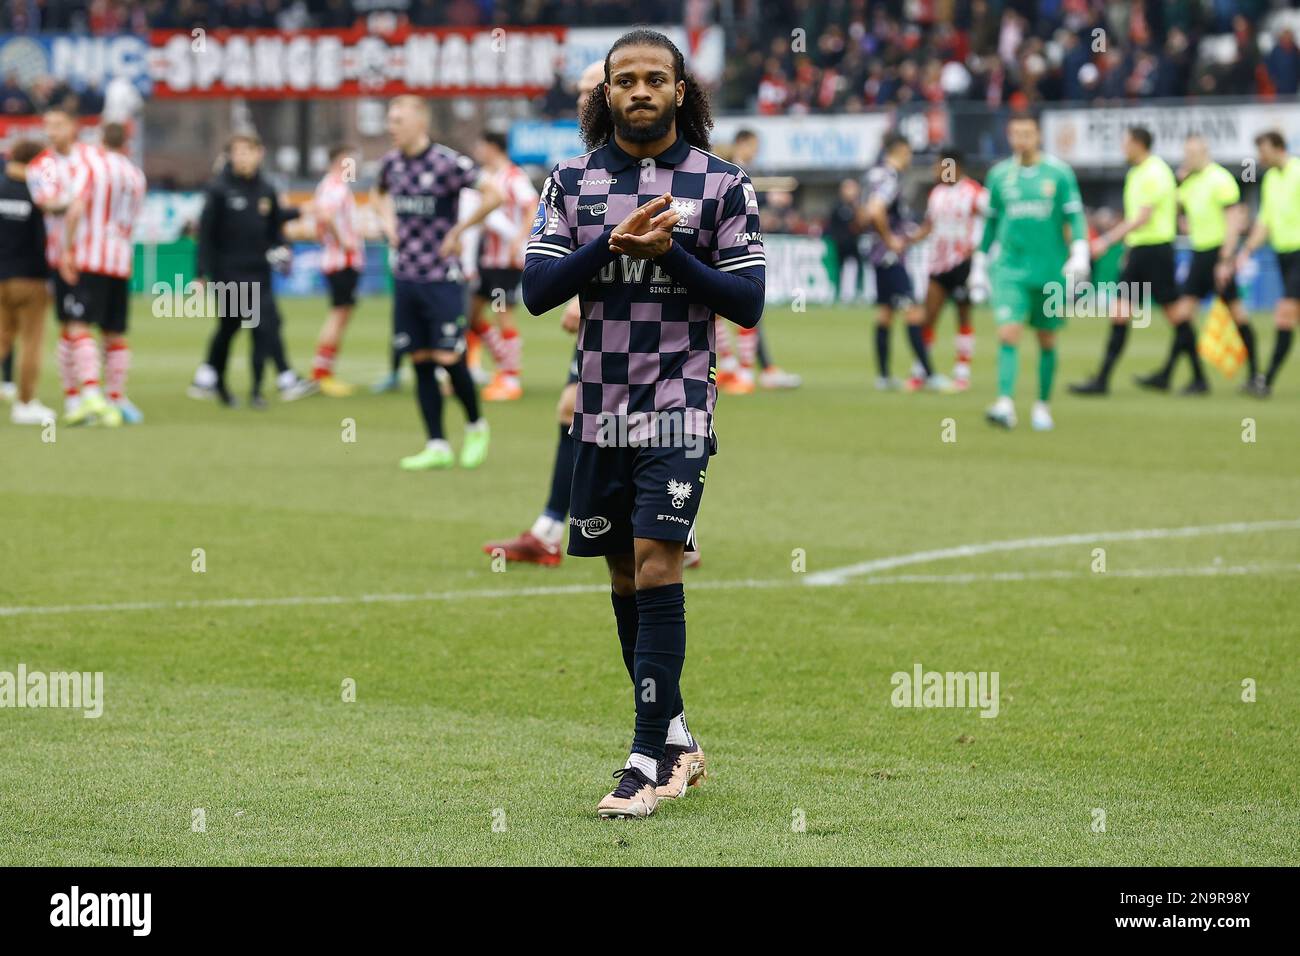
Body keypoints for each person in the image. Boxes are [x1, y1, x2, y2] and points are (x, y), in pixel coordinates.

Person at [521, 29, 765, 818]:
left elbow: (747, 303)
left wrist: (671, 258)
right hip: (600, 410)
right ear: (604, 96)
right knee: (625, 575)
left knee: (659, 563)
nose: (639, 90)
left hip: (680, 404)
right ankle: (680, 740)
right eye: (623, 80)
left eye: (655, 78)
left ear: (683, 92)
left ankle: (640, 763)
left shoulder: (723, 185)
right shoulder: (572, 181)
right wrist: (608, 246)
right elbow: (535, 290)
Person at [373, 95, 503, 470]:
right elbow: (377, 194)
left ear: (419, 121)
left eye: (397, 119)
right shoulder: (391, 164)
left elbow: (494, 194)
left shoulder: (447, 162)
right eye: (389, 119)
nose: (390, 126)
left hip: (442, 277)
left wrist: (461, 228)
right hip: (406, 277)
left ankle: (476, 425)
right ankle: (437, 444)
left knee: (449, 356)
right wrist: (386, 223)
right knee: (420, 360)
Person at [971, 112, 1089, 431]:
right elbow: (991, 223)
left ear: (1038, 136)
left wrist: (1079, 250)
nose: (1021, 139)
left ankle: (1042, 406)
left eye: (1027, 133)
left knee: (1047, 338)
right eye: (1016, 133)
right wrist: (979, 263)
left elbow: (1074, 216)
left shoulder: (1059, 174)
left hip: (1050, 270)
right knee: (1008, 332)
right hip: (1010, 269)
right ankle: (1005, 404)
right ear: (1009, 137)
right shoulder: (998, 176)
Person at [188, 131, 314, 408]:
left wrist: (284, 246)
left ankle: (259, 390)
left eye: (247, 151)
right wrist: (200, 275)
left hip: (259, 272)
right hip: (228, 273)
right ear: (230, 156)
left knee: (265, 326)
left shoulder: (266, 188)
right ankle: (215, 379)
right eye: (237, 152)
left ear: (260, 153)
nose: (242, 157)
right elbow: (206, 236)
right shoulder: (219, 189)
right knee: (230, 328)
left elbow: (273, 228)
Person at [1070, 126, 1180, 396]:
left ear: (1139, 144)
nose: (1122, 147)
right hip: (1140, 251)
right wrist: (1129, 249)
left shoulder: (1155, 172)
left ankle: (1189, 375)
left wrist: (1107, 241)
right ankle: (1103, 380)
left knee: (1177, 316)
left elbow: (1141, 218)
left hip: (1156, 251)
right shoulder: (1137, 172)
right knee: (1120, 313)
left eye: (1126, 142)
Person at [1139, 134, 1248, 393]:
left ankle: (1256, 374)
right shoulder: (1189, 183)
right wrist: (1178, 182)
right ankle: (1181, 376)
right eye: (1186, 153)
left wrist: (1226, 258)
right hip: (1200, 255)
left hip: (1217, 254)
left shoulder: (1220, 179)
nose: (1188, 157)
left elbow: (1234, 221)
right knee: (1184, 316)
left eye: (1193, 153)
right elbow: (1180, 214)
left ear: (1204, 152)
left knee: (1236, 315)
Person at [59, 122, 147, 424]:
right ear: (127, 143)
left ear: (100, 139)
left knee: (78, 325)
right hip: (120, 258)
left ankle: (91, 394)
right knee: (115, 331)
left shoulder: (91, 165)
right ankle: (117, 397)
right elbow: (134, 222)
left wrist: (67, 249)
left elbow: (75, 208)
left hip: (91, 257)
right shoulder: (137, 175)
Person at [25, 105, 101, 419]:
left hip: (94, 255)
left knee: (86, 325)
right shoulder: (41, 166)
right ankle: (79, 396)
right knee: (71, 324)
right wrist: (69, 204)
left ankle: (90, 394)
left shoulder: (90, 159)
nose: (52, 131)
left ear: (73, 127)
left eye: (58, 125)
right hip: (62, 258)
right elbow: (50, 205)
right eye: (48, 125)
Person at [860, 132, 948, 391]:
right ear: (900, 151)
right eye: (909, 153)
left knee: (886, 313)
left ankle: (884, 377)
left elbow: (870, 213)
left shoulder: (873, 175)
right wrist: (890, 240)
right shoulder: (888, 177)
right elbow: (876, 210)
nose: (910, 158)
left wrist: (914, 234)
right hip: (889, 257)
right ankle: (929, 375)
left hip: (878, 255)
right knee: (914, 312)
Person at [464, 131, 538, 402]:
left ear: (492, 147)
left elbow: (532, 206)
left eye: (480, 144)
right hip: (487, 259)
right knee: (471, 316)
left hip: (506, 260)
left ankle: (510, 376)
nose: (477, 149)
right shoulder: (488, 177)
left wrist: (520, 238)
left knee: (502, 313)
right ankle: (494, 364)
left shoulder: (514, 177)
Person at [909, 147, 985, 390]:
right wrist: (908, 240)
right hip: (939, 264)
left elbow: (993, 220)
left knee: (963, 317)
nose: (936, 170)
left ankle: (962, 372)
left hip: (964, 264)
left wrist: (979, 252)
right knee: (929, 316)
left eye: (940, 166)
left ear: (954, 166)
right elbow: (930, 225)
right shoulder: (936, 194)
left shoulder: (975, 192)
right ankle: (922, 370)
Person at [1235, 130, 1300, 397]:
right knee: (1290, 315)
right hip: (1283, 256)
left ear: (1276, 148)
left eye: (1262, 150)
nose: (1259, 157)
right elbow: (1265, 222)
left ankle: (1266, 380)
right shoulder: (1271, 179)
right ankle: (1265, 380)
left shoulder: (1298, 171)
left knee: (1284, 313)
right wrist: (1246, 251)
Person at [0, 139, 54, 425]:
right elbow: (43, 239)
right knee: (31, 343)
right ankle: (25, 403)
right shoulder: (38, 193)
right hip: (30, 278)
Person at [308, 143, 365, 398]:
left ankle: (324, 371)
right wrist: (343, 241)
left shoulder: (333, 186)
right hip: (341, 261)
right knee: (338, 315)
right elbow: (326, 216)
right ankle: (321, 374)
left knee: (341, 315)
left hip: (341, 260)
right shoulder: (335, 187)